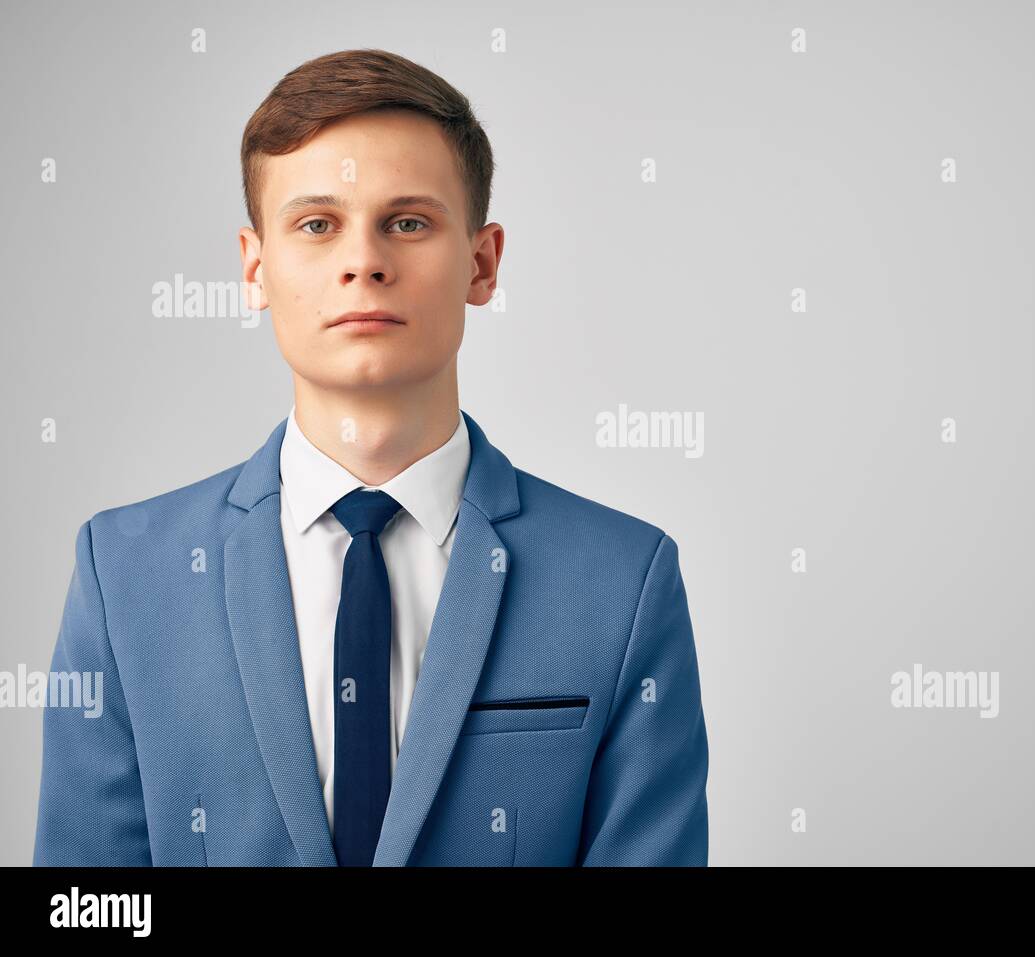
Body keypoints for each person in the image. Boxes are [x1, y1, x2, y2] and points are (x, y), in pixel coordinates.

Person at [32, 48, 708, 867]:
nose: (364, 262)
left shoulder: (623, 580)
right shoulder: (124, 576)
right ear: (255, 267)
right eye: (317, 224)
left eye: (409, 221)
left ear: (482, 263)